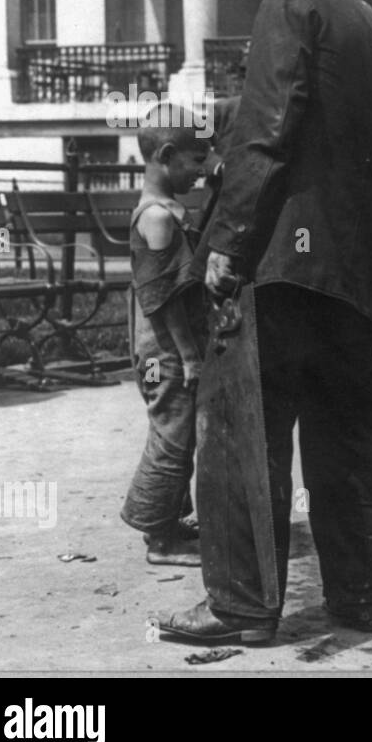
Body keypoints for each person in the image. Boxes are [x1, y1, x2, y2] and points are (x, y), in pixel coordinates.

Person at [158, 0, 372, 643]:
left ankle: (242, 606)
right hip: (354, 288)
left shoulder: (295, 0)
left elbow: (266, 129)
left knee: (245, 433)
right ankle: (356, 602)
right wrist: (361, 261)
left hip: (274, 264)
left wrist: (228, 245)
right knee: (349, 446)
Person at [120, 105, 211, 567]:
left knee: (179, 431)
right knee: (172, 436)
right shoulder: (156, 216)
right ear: (167, 155)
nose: (202, 170)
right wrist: (191, 355)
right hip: (166, 350)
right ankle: (159, 540)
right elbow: (163, 297)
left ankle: (170, 520)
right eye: (196, 161)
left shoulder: (170, 209)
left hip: (173, 347)